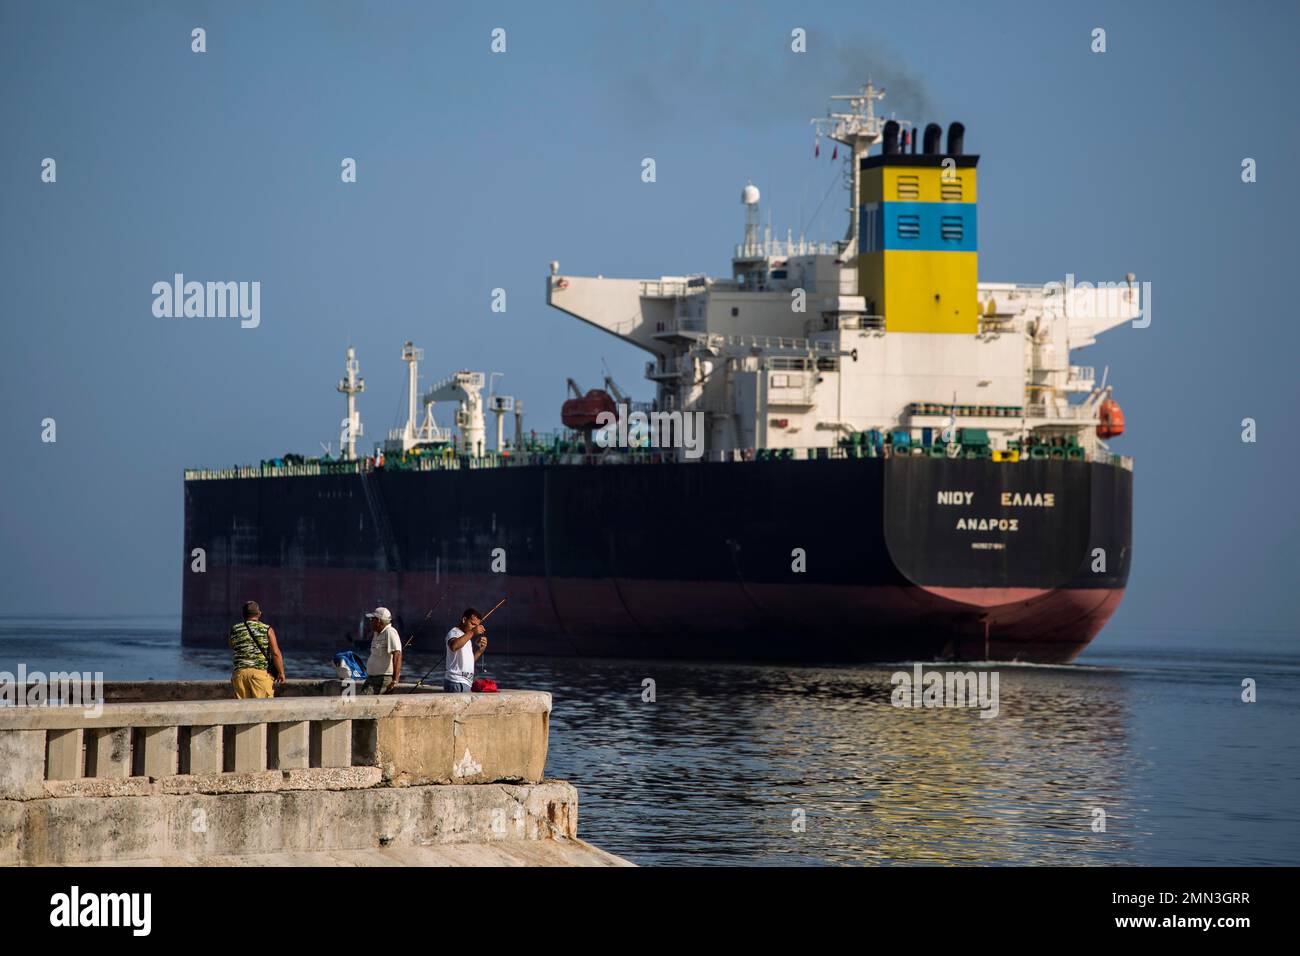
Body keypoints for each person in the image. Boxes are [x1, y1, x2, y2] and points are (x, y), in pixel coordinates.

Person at [229, 600, 285, 699]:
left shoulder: (234, 629)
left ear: (243, 615)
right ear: (259, 614)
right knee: (263, 710)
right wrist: (281, 673)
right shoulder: (266, 629)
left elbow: (233, 646)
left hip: (239, 675)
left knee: (242, 711)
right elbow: (276, 653)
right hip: (259, 674)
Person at [444, 607, 487, 693]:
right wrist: (472, 632)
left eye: (476, 626)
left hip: (466, 683)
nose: (474, 628)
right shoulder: (454, 632)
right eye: (472, 624)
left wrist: (480, 650)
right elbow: (454, 646)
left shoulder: (467, 638)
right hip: (456, 682)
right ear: (464, 620)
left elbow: (470, 661)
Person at [363, 606, 402, 694]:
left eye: (372, 619)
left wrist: (395, 680)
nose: (371, 622)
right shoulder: (376, 634)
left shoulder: (390, 632)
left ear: (379, 620)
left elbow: (397, 655)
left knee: (365, 700)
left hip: (382, 679)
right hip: (372, 678)